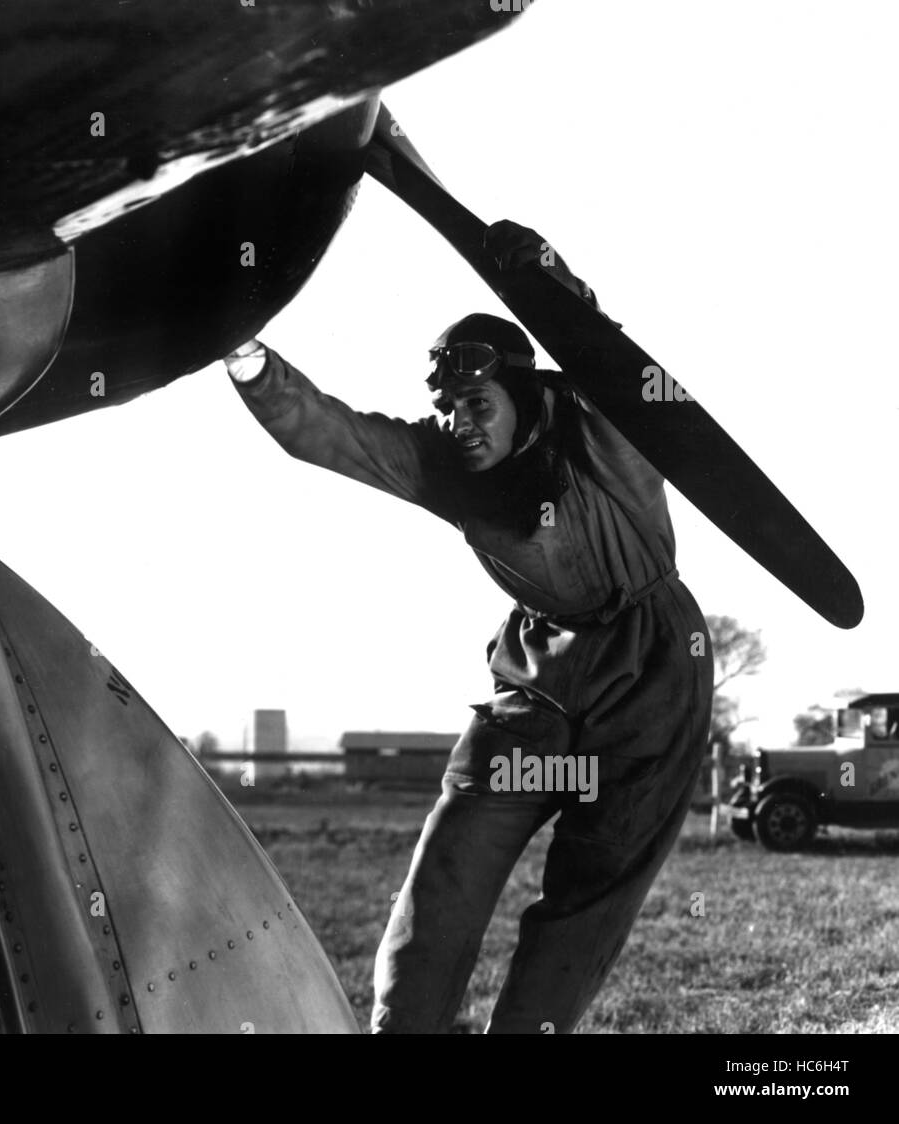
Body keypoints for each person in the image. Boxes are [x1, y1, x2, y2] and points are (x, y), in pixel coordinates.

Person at [222, 220, 713, 1034]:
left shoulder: (602, 433)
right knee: (452, 861)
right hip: (541, 685)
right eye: (447, 408)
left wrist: (555, 285)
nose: (460, 423)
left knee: (589, 895)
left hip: (652, 678)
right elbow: (332, 433)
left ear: (524, 397)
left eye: (476, 404)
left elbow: (607, 367)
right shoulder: (441, 465)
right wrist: (249, 362)